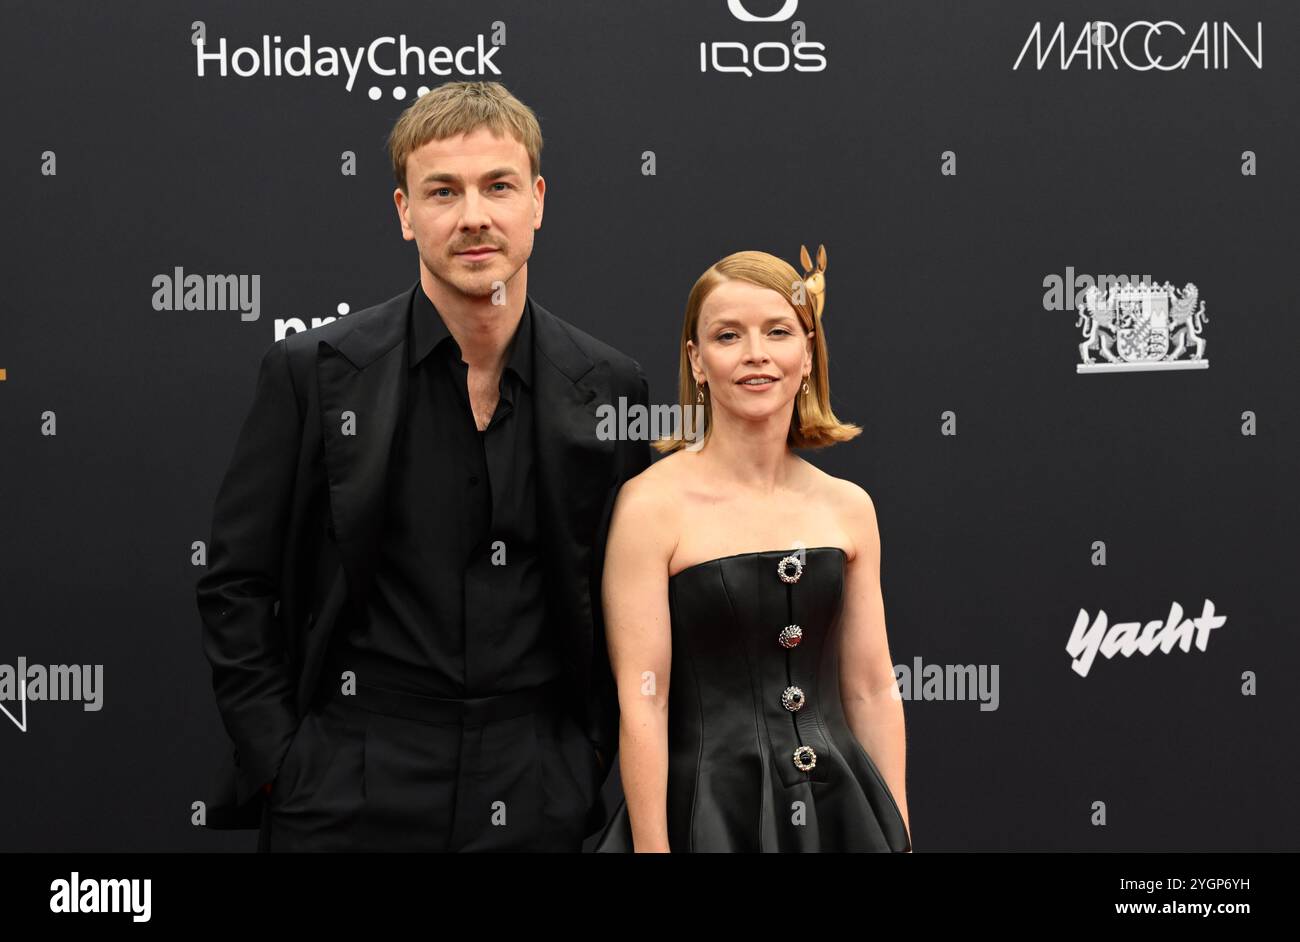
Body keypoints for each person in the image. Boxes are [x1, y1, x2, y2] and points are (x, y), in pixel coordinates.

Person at [196, 81, 651, 851]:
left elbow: (629, 598)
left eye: (498, 186)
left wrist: (585, 757)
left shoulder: (610, 387)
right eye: (442, 190)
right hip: (351, 779)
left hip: (536, 782)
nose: (474, 216)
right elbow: (237, 583)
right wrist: (283, 763)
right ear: (405, 213)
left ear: (536, 201)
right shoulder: (313, 371)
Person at [593, 246, 912, 852]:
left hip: (840, 816)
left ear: (808, 351)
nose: (756, 354)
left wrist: (898, 835)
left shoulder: (849, 507)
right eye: (728, 335)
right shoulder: (649, 506)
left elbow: (871, 688)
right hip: (706, 816)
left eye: (778, 331)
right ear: (697, 361)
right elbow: (644, 702)